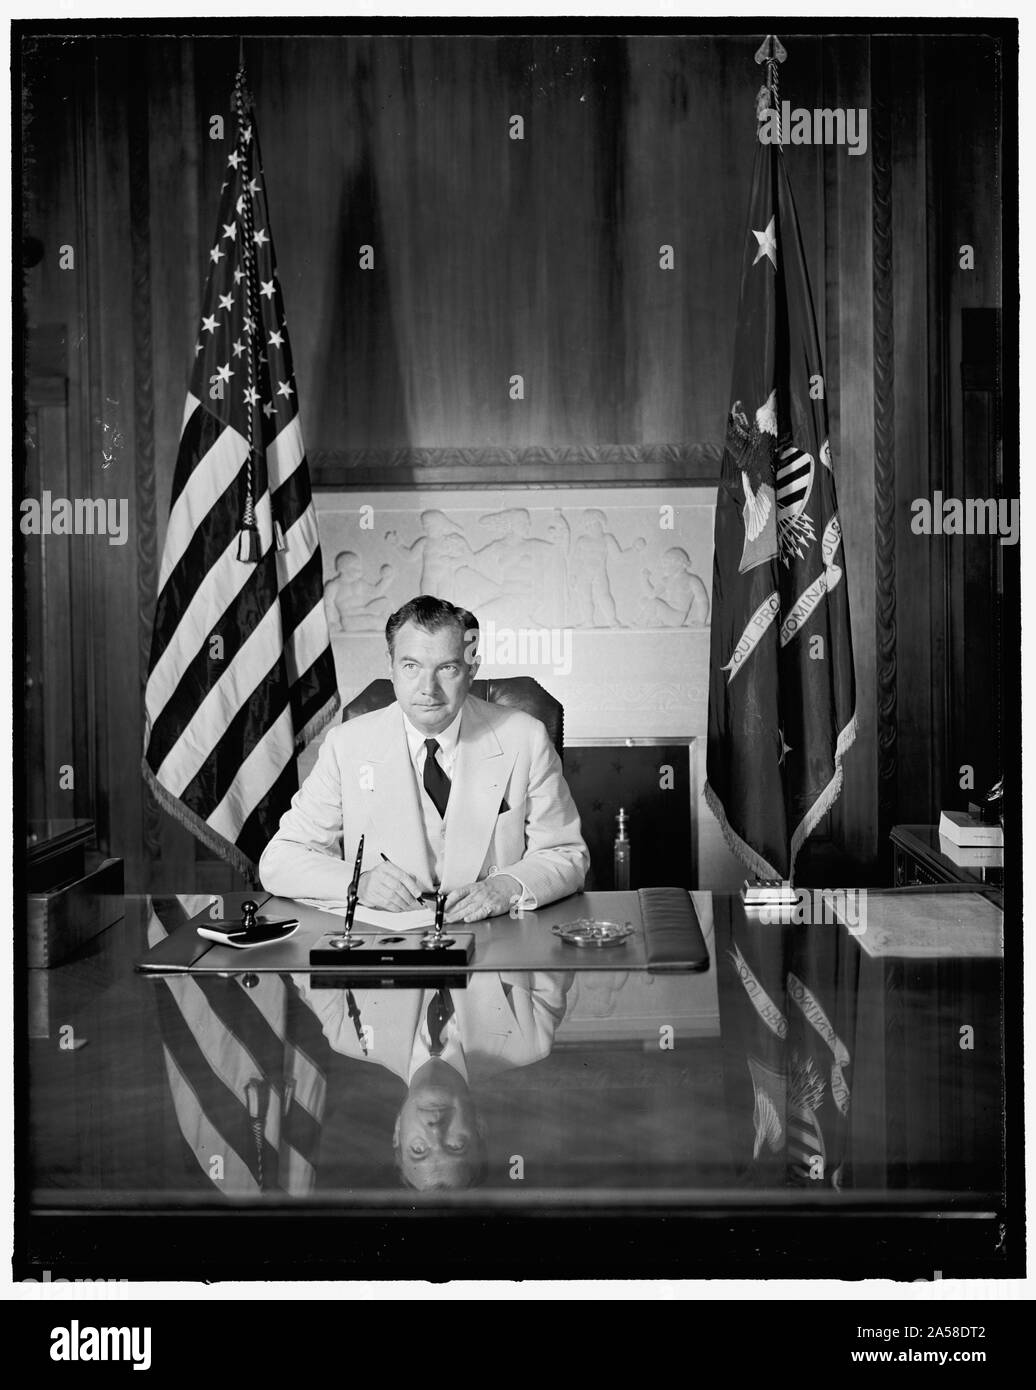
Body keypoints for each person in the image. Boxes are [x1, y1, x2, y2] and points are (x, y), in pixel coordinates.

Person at [258, 594, 589, 923]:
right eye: (411, 666)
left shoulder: (525, 738)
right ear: (391, 667)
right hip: (386, 938)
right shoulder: (346, 745)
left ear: (471, 669)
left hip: (494, 931)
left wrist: (506, 887)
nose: (428, 688)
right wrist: (359, 883)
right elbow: (280, 859)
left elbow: (567, 855)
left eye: (446, 668)